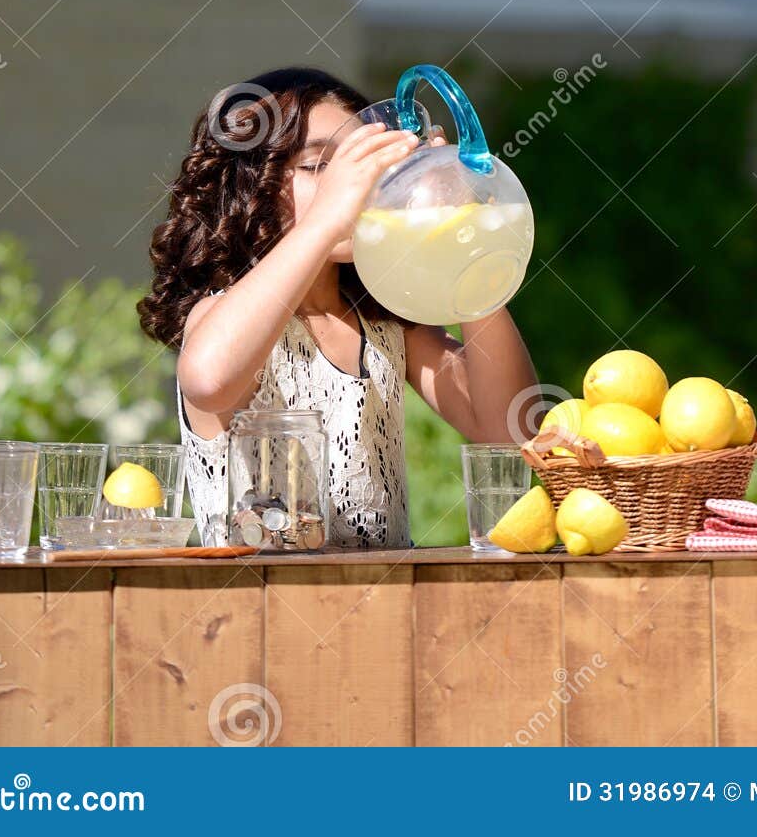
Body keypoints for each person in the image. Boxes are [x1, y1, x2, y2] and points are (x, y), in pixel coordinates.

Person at [139, 66, 538, 547]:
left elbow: (508, 433)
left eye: (367, 162)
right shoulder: (222, 315)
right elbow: (209, 379)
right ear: (252, 187)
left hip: (385, 611)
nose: (356, 184)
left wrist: (460, 241)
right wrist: (326, 218)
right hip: (259, 614)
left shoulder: (386, 326)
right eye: (317, 166)